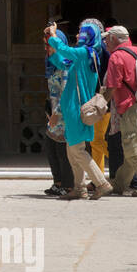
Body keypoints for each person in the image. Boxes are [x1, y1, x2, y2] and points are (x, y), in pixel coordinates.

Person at [45, 21, 113, 200]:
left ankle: (101, 183)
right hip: (74, 109)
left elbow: (66, 51)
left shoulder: (85, 53)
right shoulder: (87, 56)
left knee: (78, 151)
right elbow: (65, 62)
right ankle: (79, 188)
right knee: (72, 150)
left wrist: (53, 35)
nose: (78, 36)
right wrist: (52, 53)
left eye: (81, 33)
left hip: (76, 109)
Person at [104, 25, 137, 198]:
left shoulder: (116, 57)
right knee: (135, 148)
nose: (105, 42)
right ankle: (119, 185)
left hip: (130, 108)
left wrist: (100, 102)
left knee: (133, 150)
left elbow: (112, 86)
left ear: (113, 39)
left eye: (107, 39)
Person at [43, 29, 75, 196]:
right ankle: (58, 182)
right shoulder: (52, 63)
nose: (47, 48)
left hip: (63, 115)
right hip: (54, 115)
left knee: (63, 152)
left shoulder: (65, 65)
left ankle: (69, 186)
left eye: (50, 45)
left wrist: (57, 113)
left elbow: (65, 92)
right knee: (51, 147)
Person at [82, 17, 111, 179]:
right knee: (95, 140)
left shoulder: (96, 51)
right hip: (98, 99)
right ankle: (98, 177)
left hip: (99, 101)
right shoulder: (101, 49)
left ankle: (125, 163)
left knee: (96, 140)